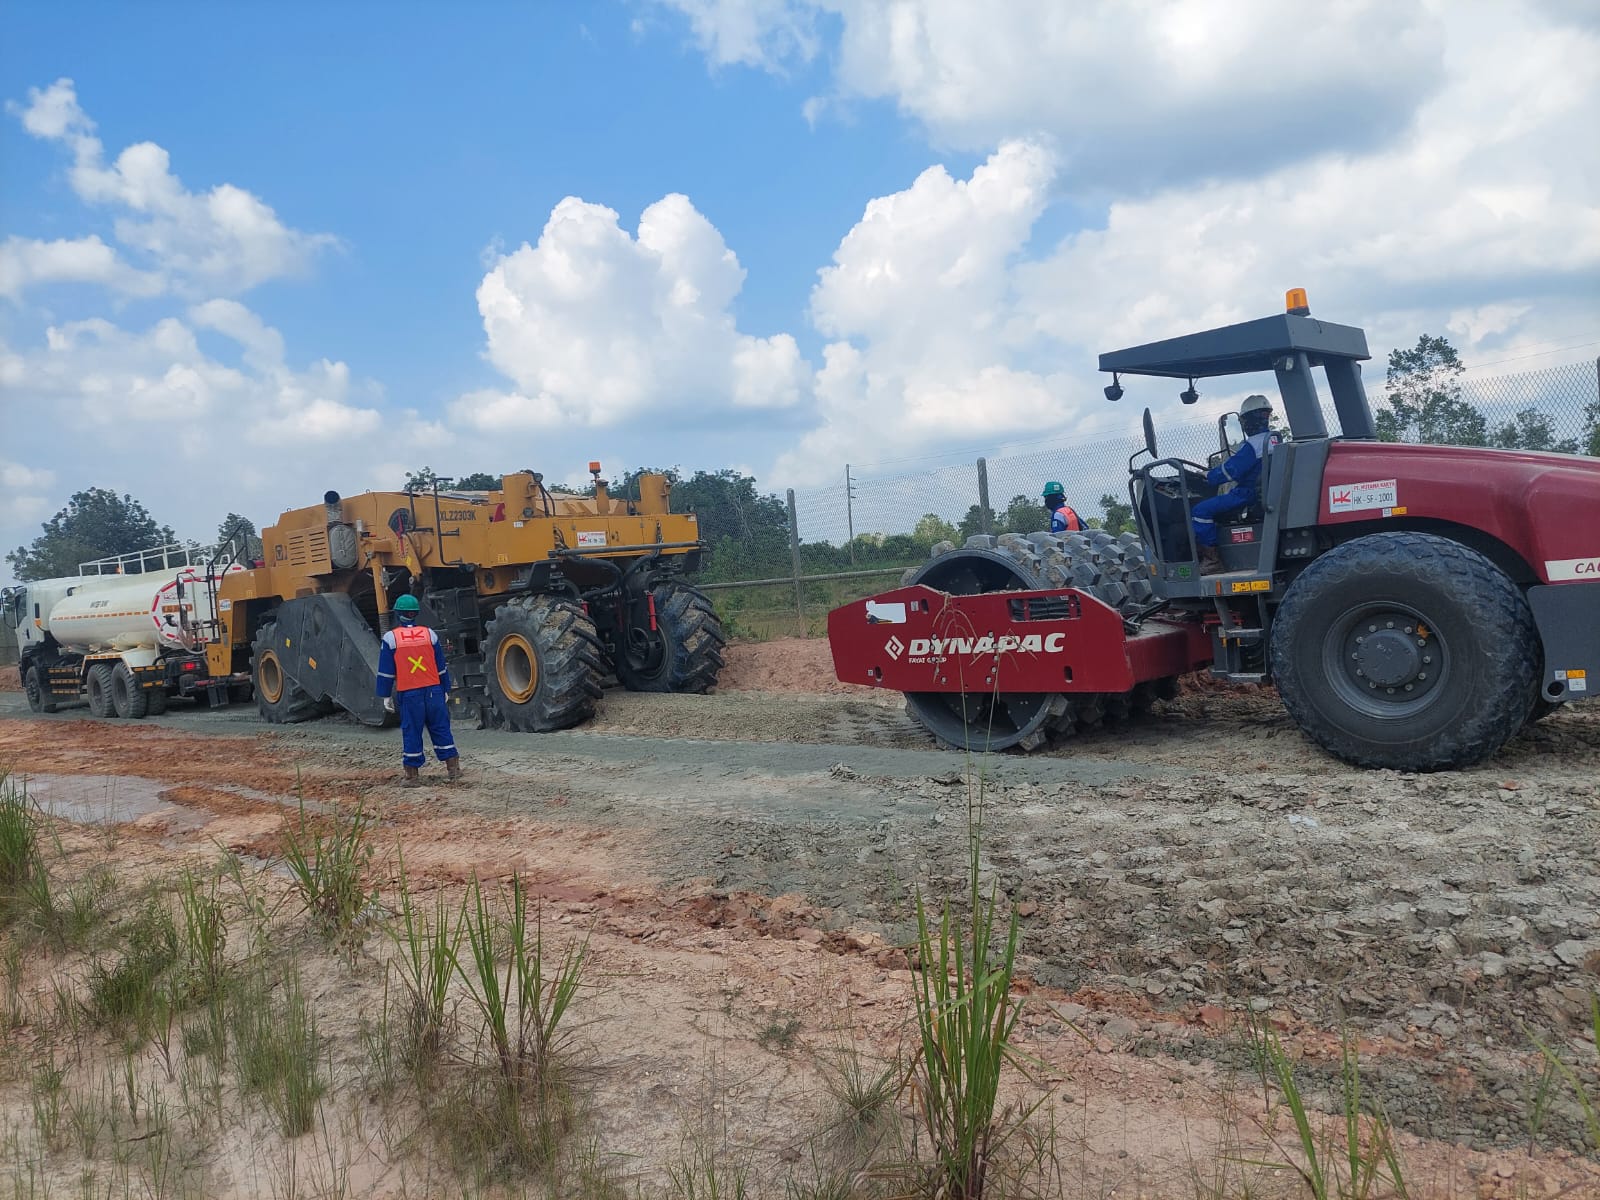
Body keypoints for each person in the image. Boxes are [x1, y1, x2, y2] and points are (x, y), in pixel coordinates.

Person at [375, 594, 462, 786]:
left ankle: (412, 776)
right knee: (441, 727)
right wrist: (445, 688)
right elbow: (441, 666)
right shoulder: (430, 634)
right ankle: (453, 769)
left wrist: (385, 695)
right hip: (434, 691)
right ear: (416, 613)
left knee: (411, 731)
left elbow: (386, 671)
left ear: (397, 614)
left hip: (410, 693)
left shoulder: (391, 638)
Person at [1193, 394, 1277, 574]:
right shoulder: (1274, 439)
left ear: (1248, 420)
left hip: (1247, 493)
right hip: (1267, 491)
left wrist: (1209, 475)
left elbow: (1230, 470)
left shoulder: (1253, 445)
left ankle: (1212, 561)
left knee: (1200, 511)